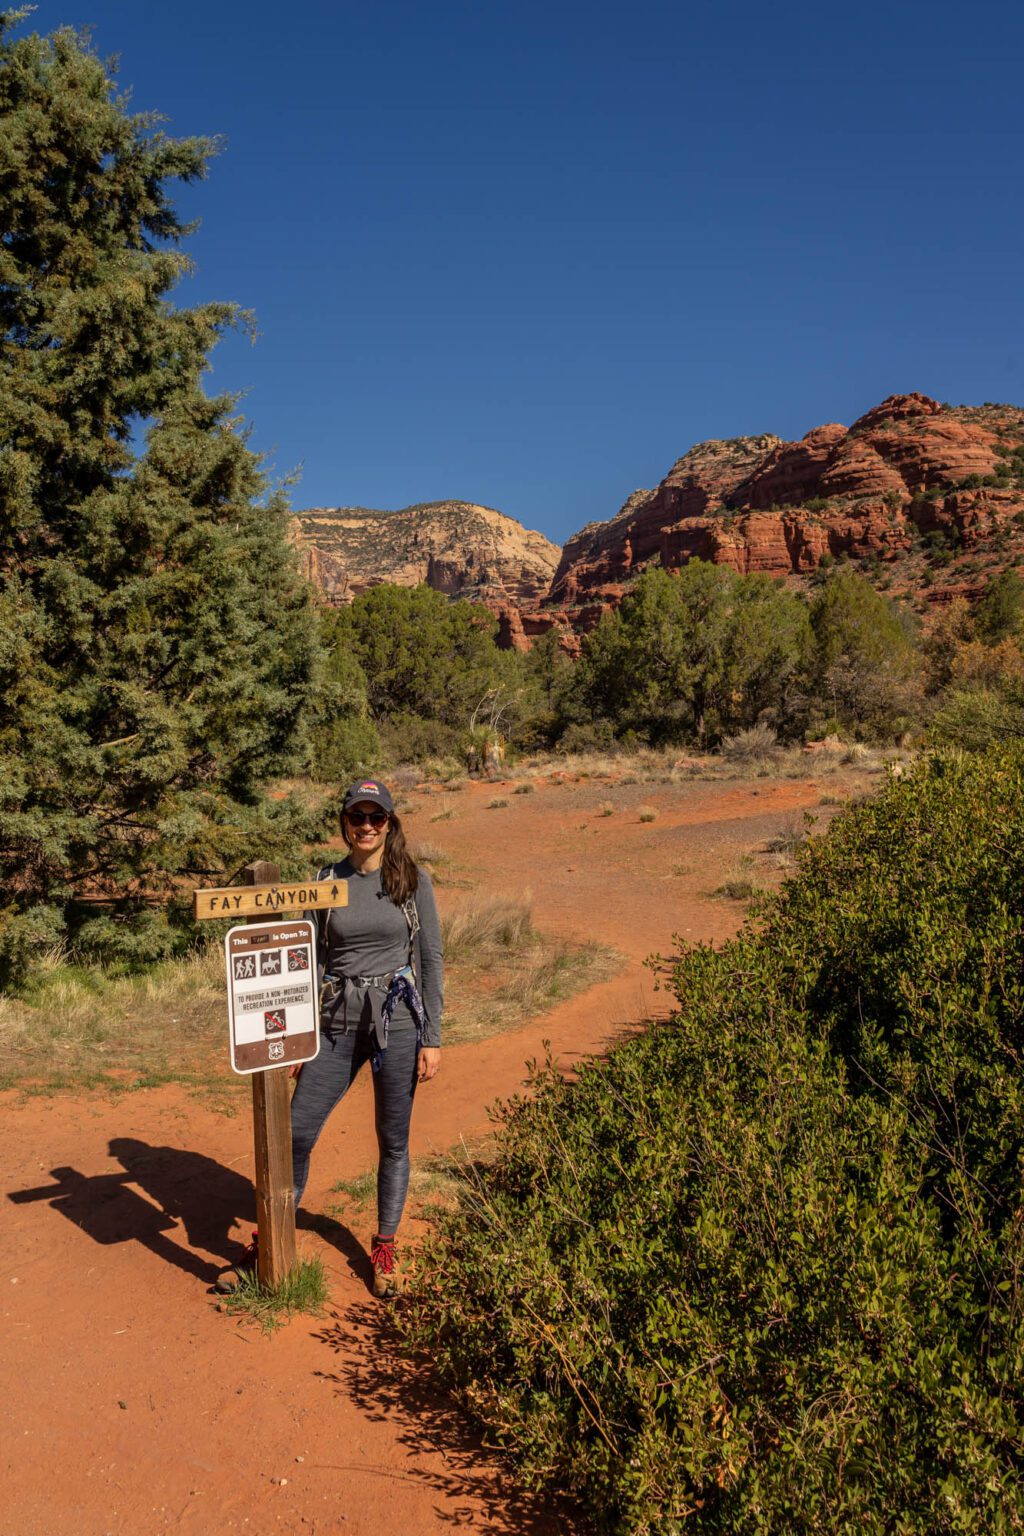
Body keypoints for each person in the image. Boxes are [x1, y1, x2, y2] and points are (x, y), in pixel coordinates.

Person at [290, 778, 443, 1299]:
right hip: (336, 1022)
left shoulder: (411, 881)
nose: (367, 826)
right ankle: (273, 1238)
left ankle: (384, 1248)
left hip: (397, 1022)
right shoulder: (324, 882)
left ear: (390, 824)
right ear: (345, 823)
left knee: (393, 1140)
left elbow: (430, 960)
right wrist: (298, 1037)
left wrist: (432, 1037)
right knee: (296, 1131)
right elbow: (306, 960)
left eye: (377, 817)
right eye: (358, 816)